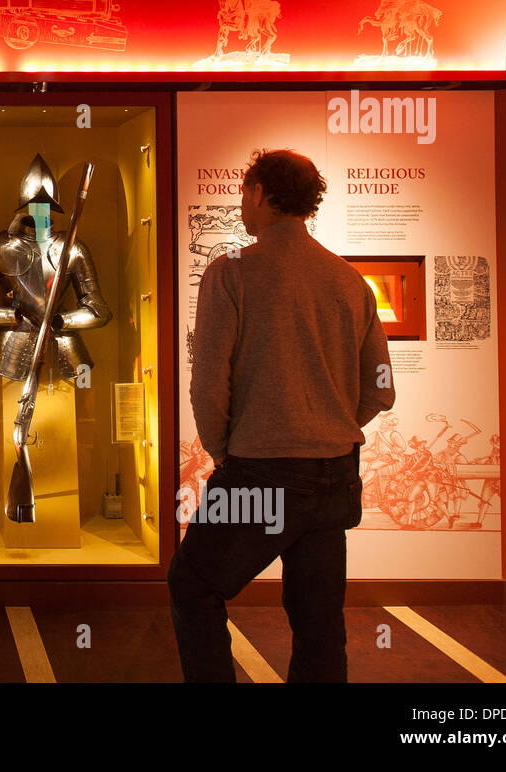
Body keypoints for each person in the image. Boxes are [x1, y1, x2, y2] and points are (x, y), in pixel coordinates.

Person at [169, 148, 395, 682]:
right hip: (336, 472)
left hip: (260, 470)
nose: (241, 204)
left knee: (193, 585)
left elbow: (209, 383)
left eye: (244, 192)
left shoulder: (231, 274)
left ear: (260, 194)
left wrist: (224, 449)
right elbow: (381, 388)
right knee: (319, 621)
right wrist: (332, 426)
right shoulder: (350, 282)